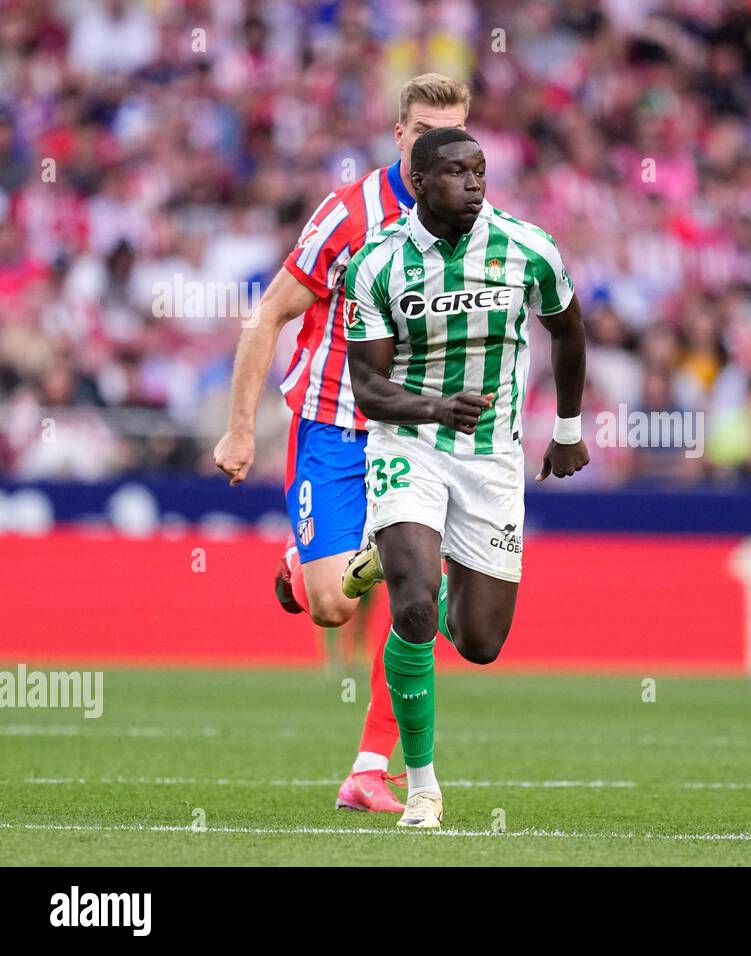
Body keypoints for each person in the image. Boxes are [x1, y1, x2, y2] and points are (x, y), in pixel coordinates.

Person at [211, 74, 471, 813]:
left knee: (420, 590)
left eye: (454, 137)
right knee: (332, 607)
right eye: (425, 133)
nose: (440, 149)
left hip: (416, 433)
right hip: (333, 425)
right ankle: (302, 566)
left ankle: (368, 767)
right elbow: (268, 317)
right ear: (399, 137)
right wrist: (238, 428)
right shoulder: (350, 215)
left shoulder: (475, 222)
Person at [342, 127, 589, 827]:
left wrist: (567, 430)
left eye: (480, 170)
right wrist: (433, 407)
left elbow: (569, 330)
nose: (474, 183)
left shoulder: (528, 247)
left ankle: (395, 559)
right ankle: (420, 784)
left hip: (492, 454)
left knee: (480, 643)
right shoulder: (377, 262)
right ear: (418, 183)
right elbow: (368, 387)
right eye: (455, 172)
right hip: (409, 439)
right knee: (414, 606)